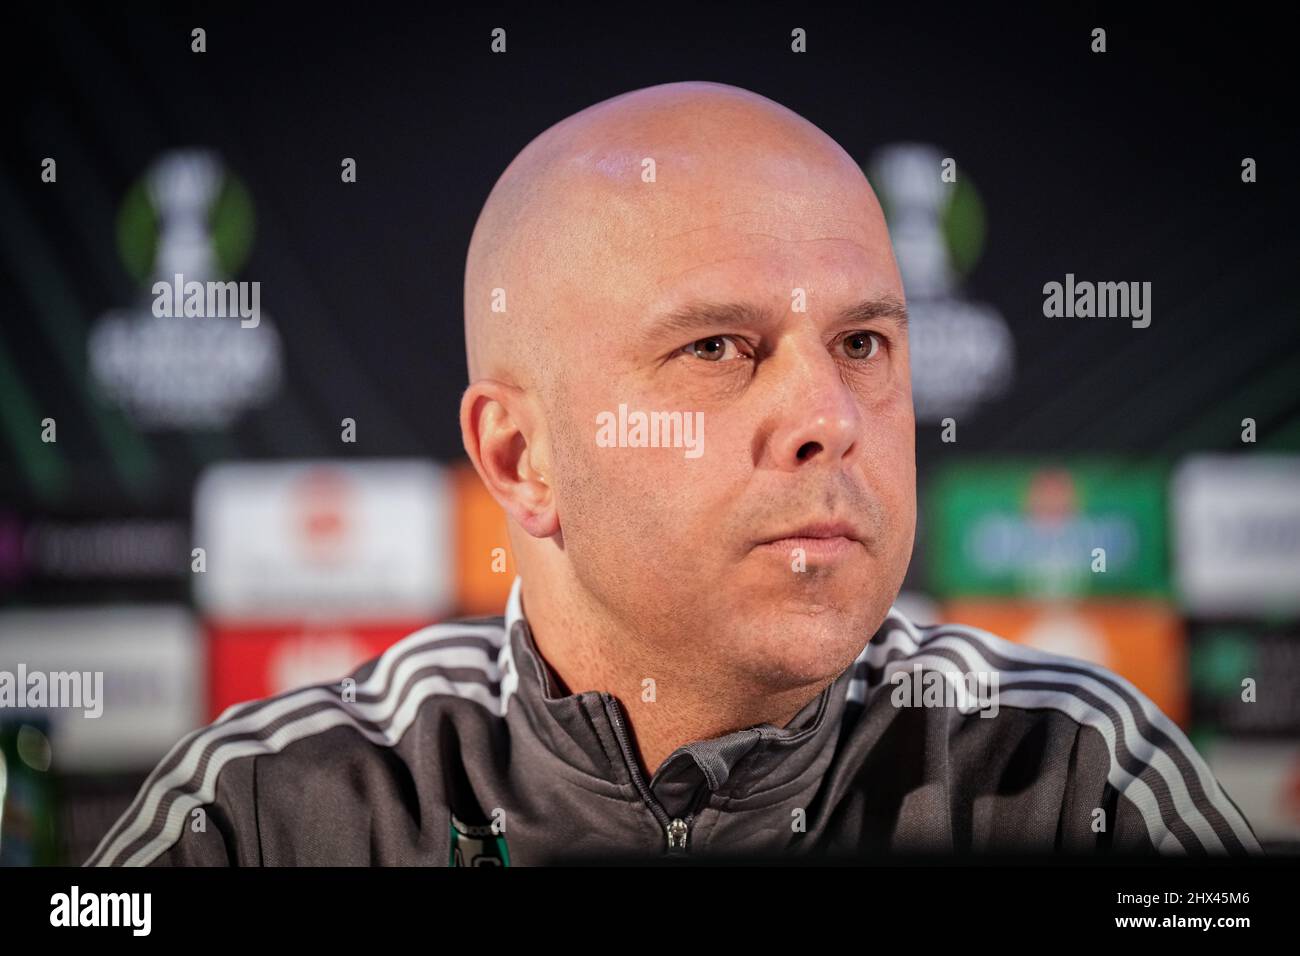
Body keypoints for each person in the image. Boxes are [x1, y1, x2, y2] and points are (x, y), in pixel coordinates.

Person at [87, 81, 1260, 866]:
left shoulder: (1074, 777)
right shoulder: (264, 815)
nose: (827, 416)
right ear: (520, 456)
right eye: (716, 348)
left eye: (861, 343)